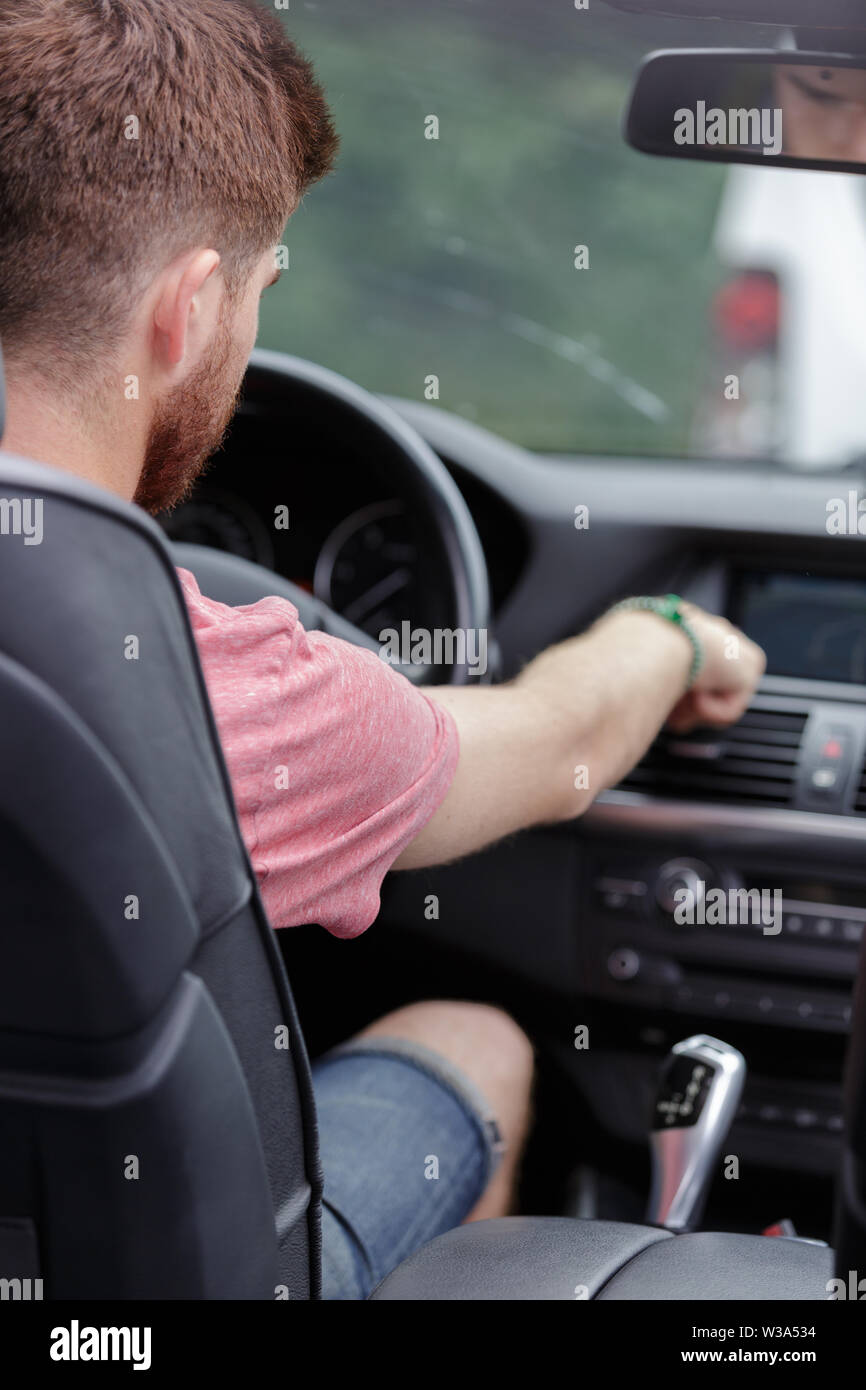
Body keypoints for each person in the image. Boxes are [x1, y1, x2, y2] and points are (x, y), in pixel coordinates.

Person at [0, 0, 765, 1298]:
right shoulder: (200, 687)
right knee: (473, 1037)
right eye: (260, 287)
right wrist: (672, 628)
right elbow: (563, 742)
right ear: (188, 308)